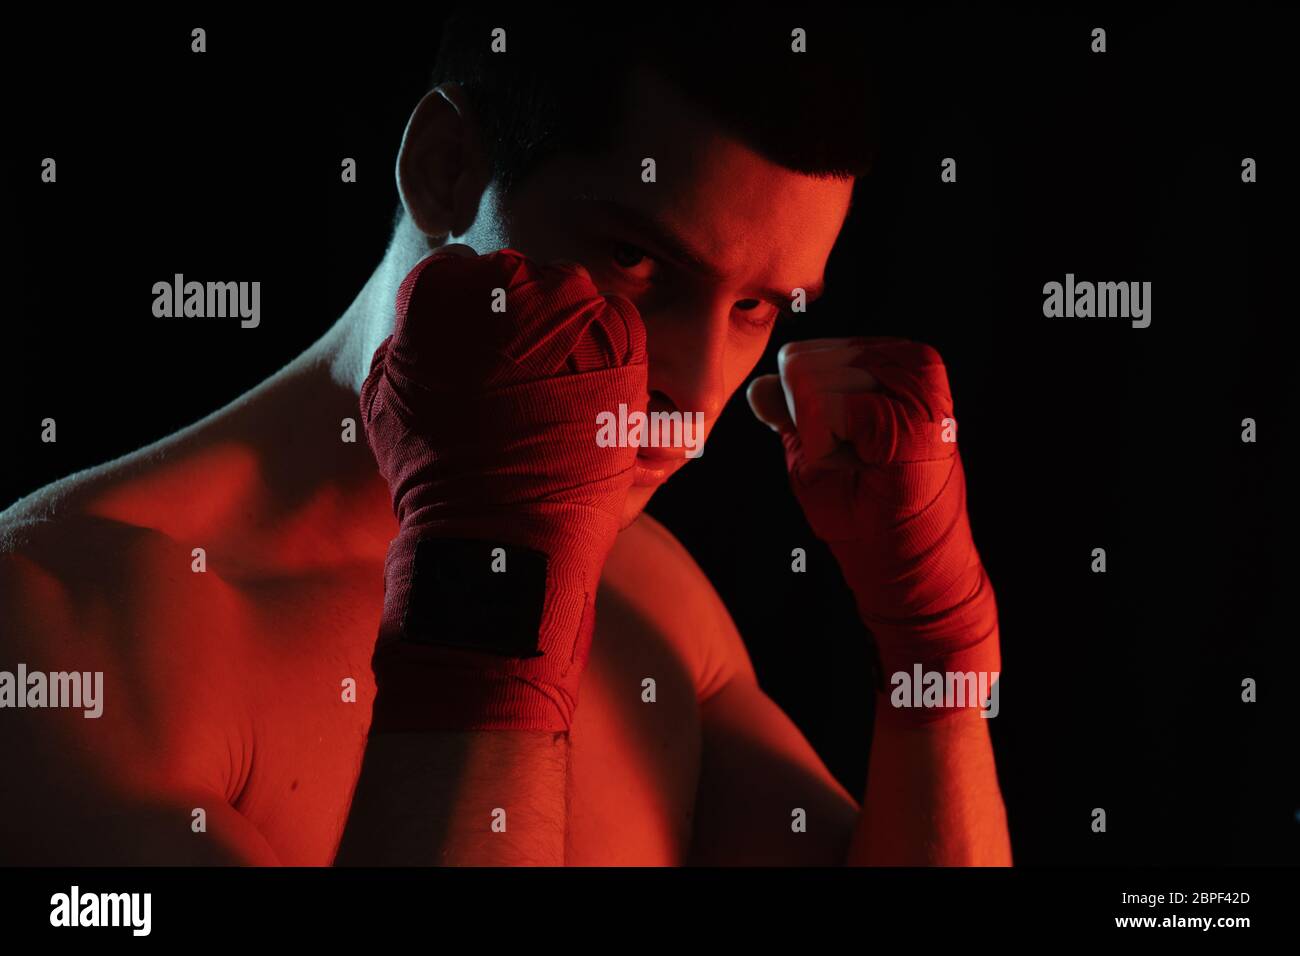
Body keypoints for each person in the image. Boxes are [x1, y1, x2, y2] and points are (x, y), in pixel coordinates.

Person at [0, 9, 1010, 865]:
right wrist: (483, 629)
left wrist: (938, 661)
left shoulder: (651, 599)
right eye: (634, 256)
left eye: (757, 306)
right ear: (444, 172)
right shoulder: (61, 625)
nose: (695, 395)